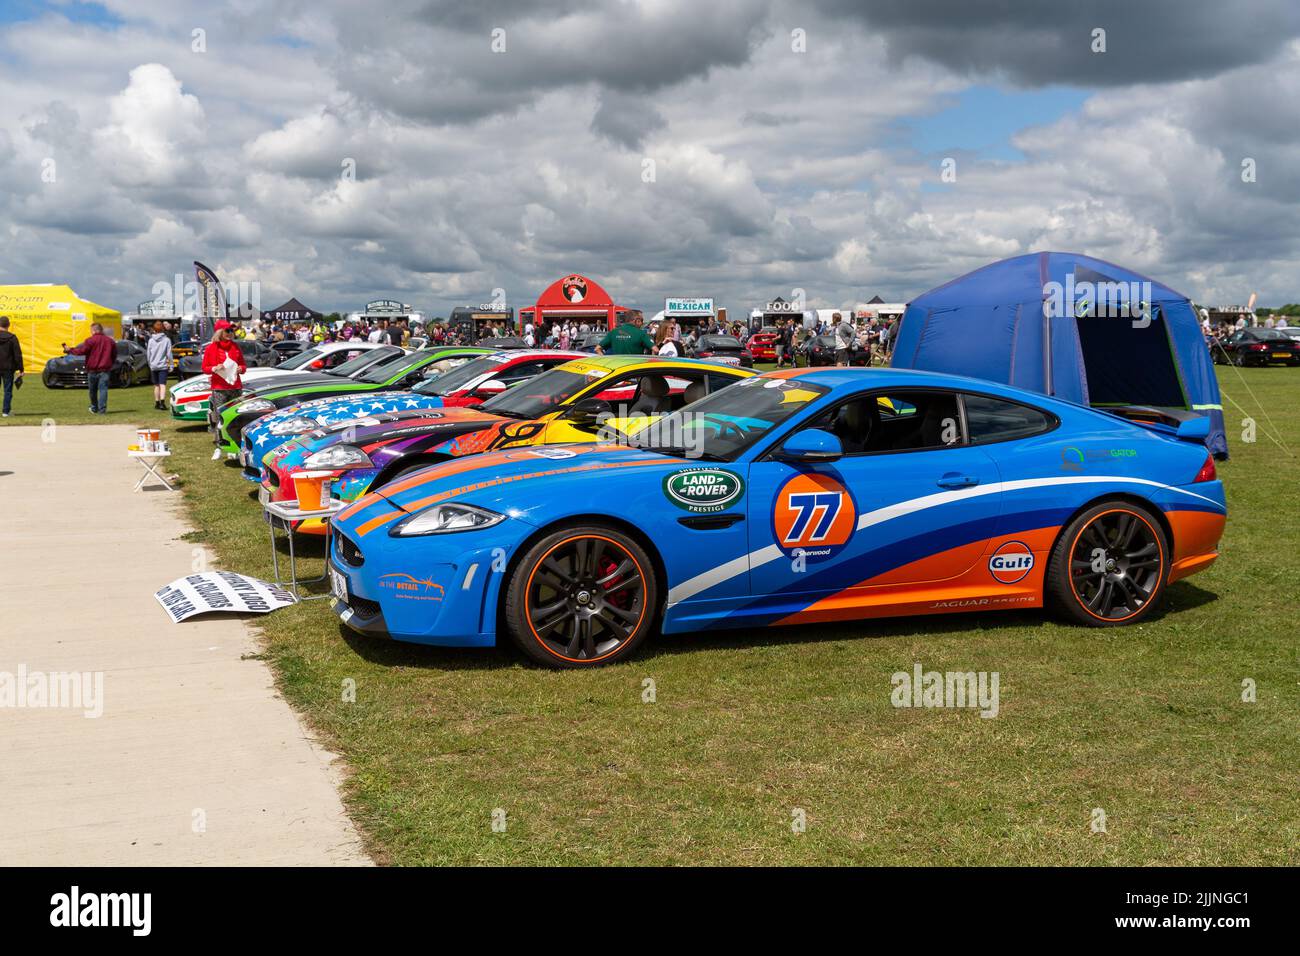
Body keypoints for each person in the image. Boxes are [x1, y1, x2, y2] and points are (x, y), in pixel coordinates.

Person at [65, 322, 116, 414]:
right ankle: (102, 410)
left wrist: (70, 350)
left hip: (92, 370)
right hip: (105, 369)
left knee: (92, 391)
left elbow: (81, 351)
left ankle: (94, 407)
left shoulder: (90, 340)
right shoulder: (110, 341)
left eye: (91, 330)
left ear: (94, 330)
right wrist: (110, 364)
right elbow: (114, 355)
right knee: (103, 390)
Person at [201, 320, 247, 413]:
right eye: (227, 330)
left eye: (231, 330)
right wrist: (214, 368)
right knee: (220, 414)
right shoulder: (210, 348)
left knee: (236, 414)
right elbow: (205, 368)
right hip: (219, 388)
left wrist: (241, 368)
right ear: (219, 332)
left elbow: (243, 366)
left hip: (235, 386)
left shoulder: (235, 346)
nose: (230, 333)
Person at [146, 321, 173, 411]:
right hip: (162, 365)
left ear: (154, 329)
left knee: (156, 385)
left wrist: (150, 363)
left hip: (153, 365)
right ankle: (162, 403)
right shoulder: (166, 340)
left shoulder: (150, 340)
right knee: (162, 385)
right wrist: (171, 364)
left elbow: (148, 354)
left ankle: (157, 403)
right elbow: (169, 354)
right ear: (163, 329)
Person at [0, 316, 23, 417]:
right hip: (8, 368)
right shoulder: (13, 338)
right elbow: (17, 355)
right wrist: (21, 369)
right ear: (8, 325)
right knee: (8, 390)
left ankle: (5, 411)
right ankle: (6, 412)